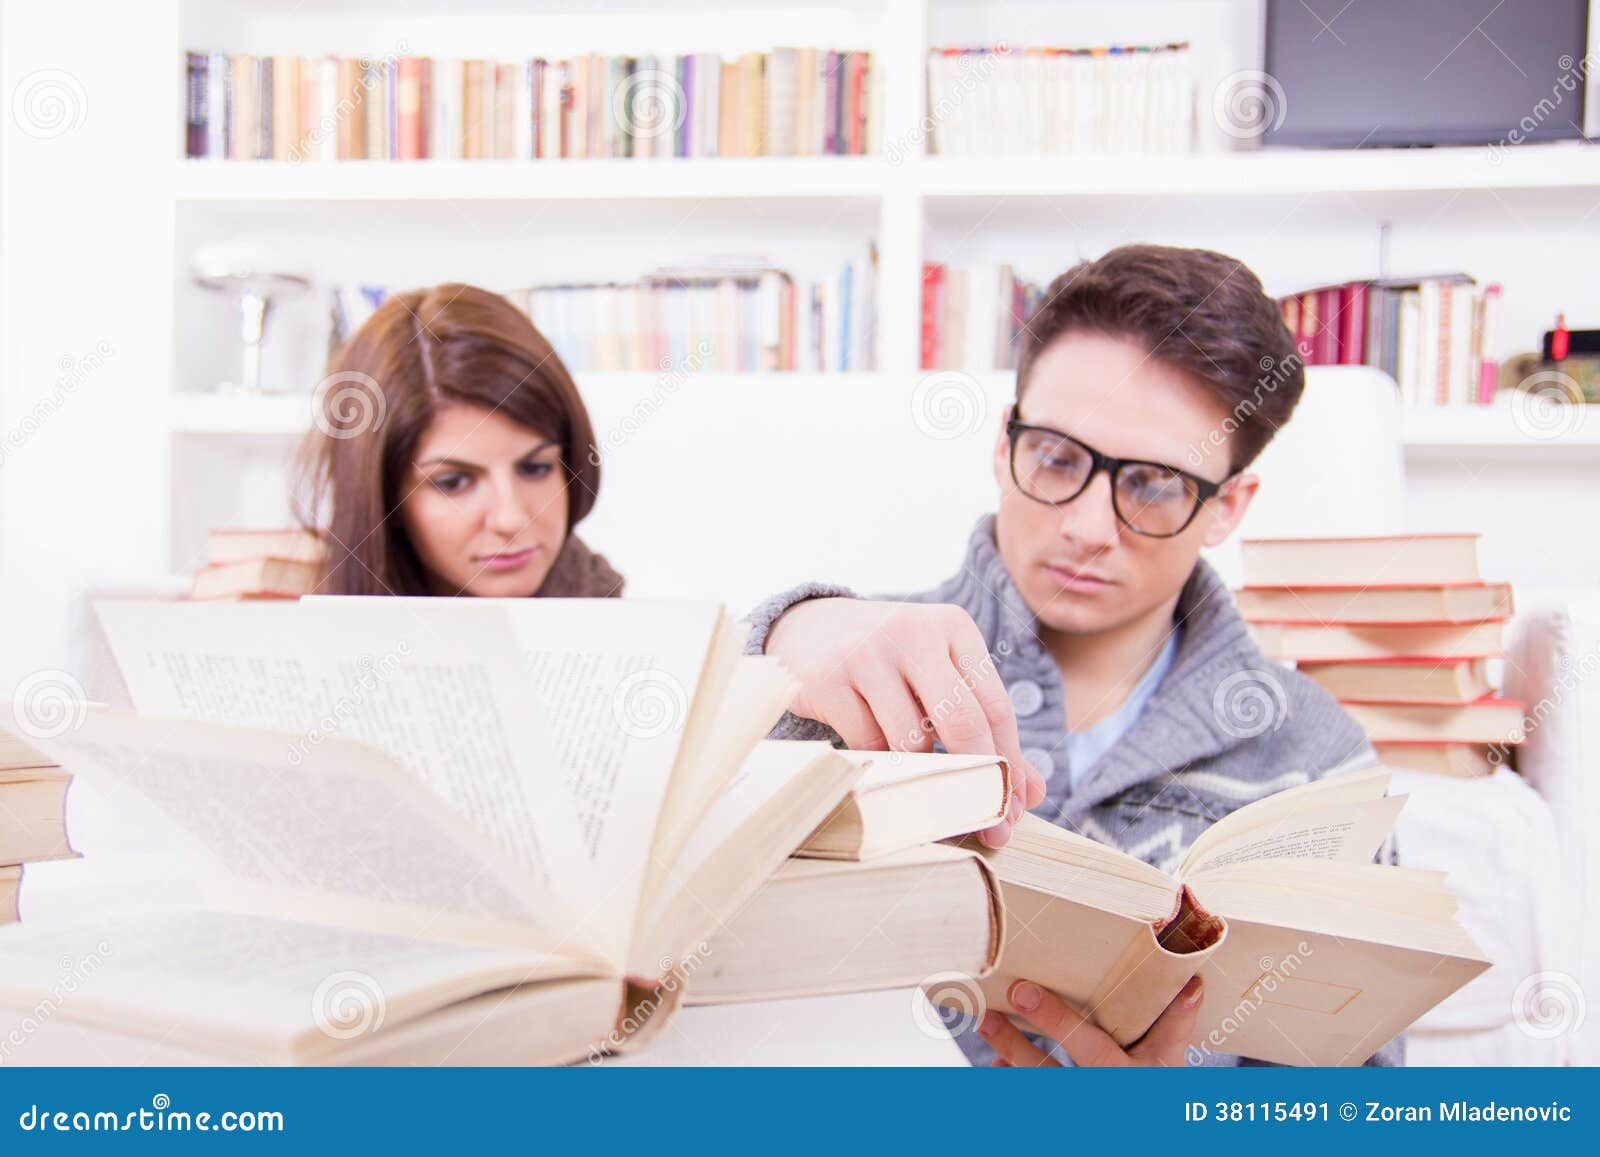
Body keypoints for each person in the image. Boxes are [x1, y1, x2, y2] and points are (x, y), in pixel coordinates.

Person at [746, 244, 1399, 1067]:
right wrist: (779, 635)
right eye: (1057, 457)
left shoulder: (1315, 758)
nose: (1088, 528)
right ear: (1002, 443)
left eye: (1155, 484)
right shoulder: (852, 659)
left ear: (1229, 507)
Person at [294, 283, 623, 599]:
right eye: (453, 482)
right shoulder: (303, 627)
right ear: (385, 496)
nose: (510, 519)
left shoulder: (608, 618)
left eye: (536, 468)